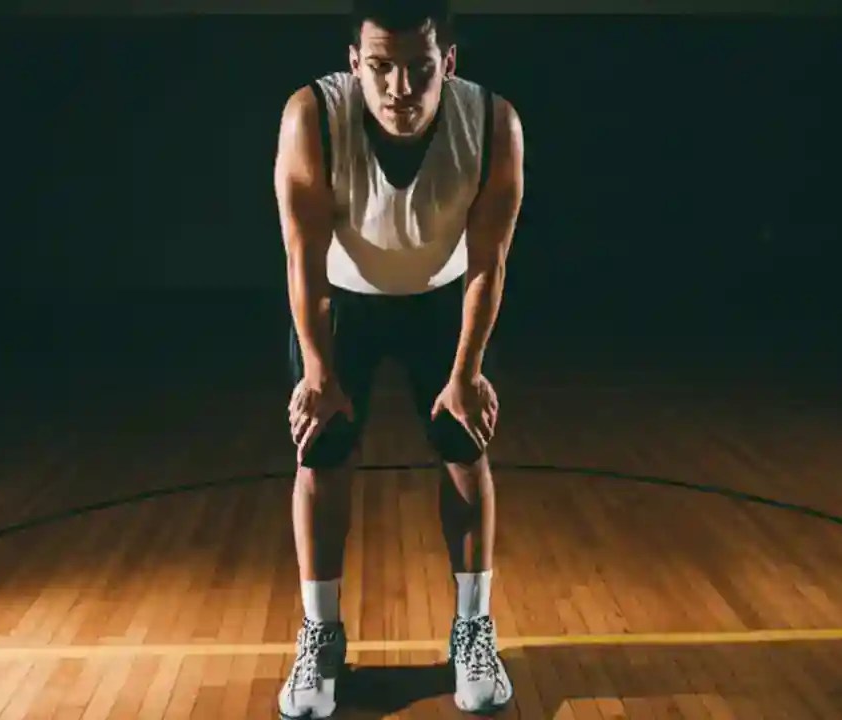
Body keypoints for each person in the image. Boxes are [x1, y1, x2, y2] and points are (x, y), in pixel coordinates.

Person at [273, 0, 524, 717]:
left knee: (463, 443)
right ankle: (321, 636)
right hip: (340, 299)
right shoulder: (311, 117)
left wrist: (467, 371)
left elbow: (489, 261)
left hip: (445, 296)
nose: (400, 89)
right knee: (321, 452)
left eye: (420, 69)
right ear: (354, 64)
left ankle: (472, 627)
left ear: (448, 62)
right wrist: (318, 371)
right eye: (381, 68)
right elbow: (303, 254)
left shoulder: (493, 123)